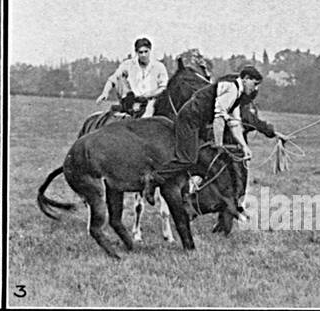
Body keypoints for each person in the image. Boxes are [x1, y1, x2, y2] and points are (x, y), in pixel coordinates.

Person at [143, 65, 286, 202]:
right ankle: (154, 178)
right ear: (245, 79)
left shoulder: (237, 93)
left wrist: (244, 147)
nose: (255, 89)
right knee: (188, 159)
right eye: (254, 84)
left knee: (198, 158)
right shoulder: (231, 90)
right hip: (188, 121)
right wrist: (219, 145)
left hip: (198, 122)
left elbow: (235, 124)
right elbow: (219, 119)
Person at [97, 38, 168, 118]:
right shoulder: (128, 65)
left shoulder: (159, 66)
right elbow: (113, 79)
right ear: (136, 52)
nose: (143, 55)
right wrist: (105, 92)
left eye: (146, 51)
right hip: (132, 101)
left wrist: (149, 94)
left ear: (150, 51)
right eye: (140, 52)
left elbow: (163, 87)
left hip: (151, 102)